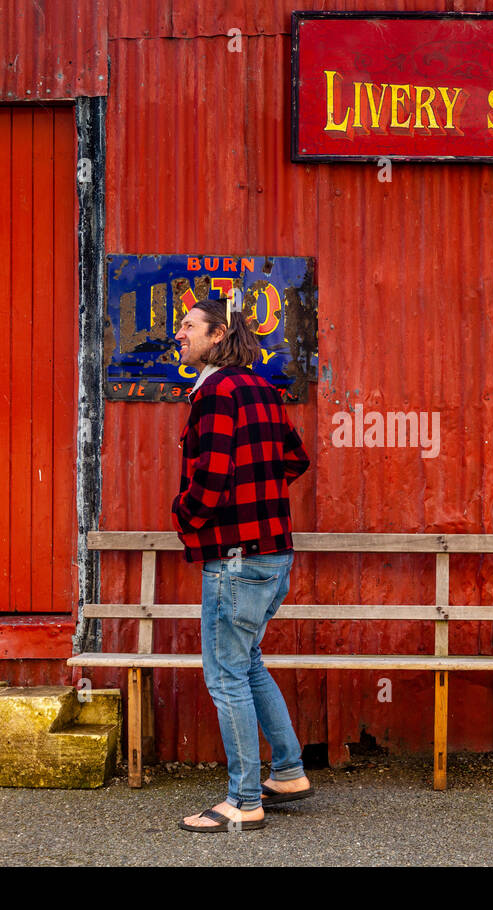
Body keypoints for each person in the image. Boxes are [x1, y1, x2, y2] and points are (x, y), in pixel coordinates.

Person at [171, 296, 314, 833]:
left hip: (237, 561)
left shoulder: (215, 395)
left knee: (225, 675)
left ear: (217, 337)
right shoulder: (263, 390)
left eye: (189, 326)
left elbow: (209, 480)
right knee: (247, 662)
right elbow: (293, 458)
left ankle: (244, 800)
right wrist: (259, 495)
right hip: (274, 552)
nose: (179, 334)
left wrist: (184, 515)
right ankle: (290, 772)